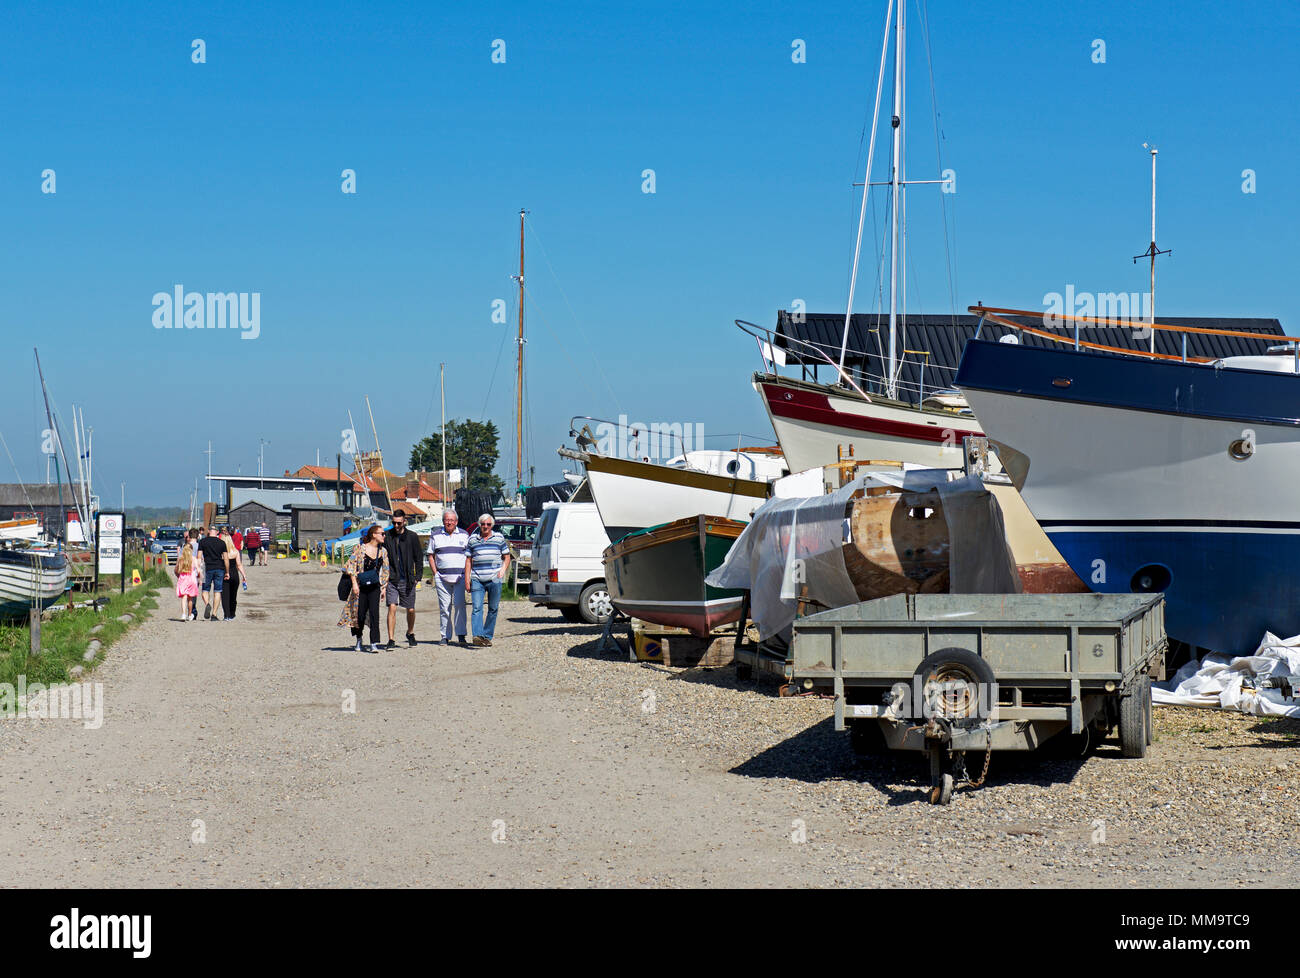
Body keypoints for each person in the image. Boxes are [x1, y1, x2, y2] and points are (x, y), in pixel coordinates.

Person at [339, 525, 388, 652]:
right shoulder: (360, 549)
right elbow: (350, 567)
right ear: (374, 535)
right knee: (359, 614)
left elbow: (386, 571)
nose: (384, 536)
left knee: (374, 615)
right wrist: (354, 584)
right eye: (381, 533)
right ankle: (359, 639)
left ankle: (373, 643)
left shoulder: (383, 551)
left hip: (375, 587)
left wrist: (383, 588)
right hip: (360, 586)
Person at [464, 513, 511, 647]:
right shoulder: (472, 539)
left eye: (488, 524)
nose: (485, 526)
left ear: (492, 526)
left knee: (493, 608)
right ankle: (477, 636)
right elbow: (468, 560)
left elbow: (506, 556)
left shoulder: (499, 538)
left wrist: (502, 570)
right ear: (479, 525)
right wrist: (467, 579)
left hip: (494, 579)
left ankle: (487, 636)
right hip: (477, 578)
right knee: (477, 607)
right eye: (483, 524)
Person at [427, 509, 469, 646]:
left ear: (456, 521)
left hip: (460, 577)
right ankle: (445, 636)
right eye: (446, 520)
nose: (449, 522)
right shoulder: (435, 535)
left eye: (451, 520)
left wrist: (467, 575)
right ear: (443, 521)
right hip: (442, 577)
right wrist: (435, 574)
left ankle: (461, 634)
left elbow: (469, 557)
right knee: (444, 608)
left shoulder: (464, 535)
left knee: (459, 606)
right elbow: (430, 555)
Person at [384, 512, 424, 649]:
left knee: (411, 609)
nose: (396, 525)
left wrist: (418, 577)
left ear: (404, 522)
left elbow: (419, 557)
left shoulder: (412, 536)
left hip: (407, 579)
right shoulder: (387, 536)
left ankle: (410, 632)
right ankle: (391, 639)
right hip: (392, 579)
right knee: (392, 607)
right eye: (393, 523)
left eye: (398, 523)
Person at [197, 526, 229, 621]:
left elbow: (199, 557)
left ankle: (207, 604)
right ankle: (214, 615)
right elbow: (226, 559)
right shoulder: (222, 543)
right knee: (217, 591)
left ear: (208, 531)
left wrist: (199, 569)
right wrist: (227, 572)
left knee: (205, 590)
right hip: (219, 568)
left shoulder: (203, 542)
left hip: (206, 568)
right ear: (217, 532)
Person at [220, 529, 244, 621]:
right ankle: (232, 614)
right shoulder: (235, 552)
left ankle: (226, 615)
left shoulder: (220, 553)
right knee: (233, 596)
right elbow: (239, 565)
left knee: (225, 596)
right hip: (234, 574)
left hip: (224, 574)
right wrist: (244, 575)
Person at [175, 543, 199, 621]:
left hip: (183, 579)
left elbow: (176, 570)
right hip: (192, 579)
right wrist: (199, 577)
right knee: (190, 598)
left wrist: (179, 576)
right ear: (191, 550)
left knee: (184, 597)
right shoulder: (194, 559)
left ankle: (183, 614)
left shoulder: (180, 559)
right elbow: (198, 570)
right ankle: (189, 615)